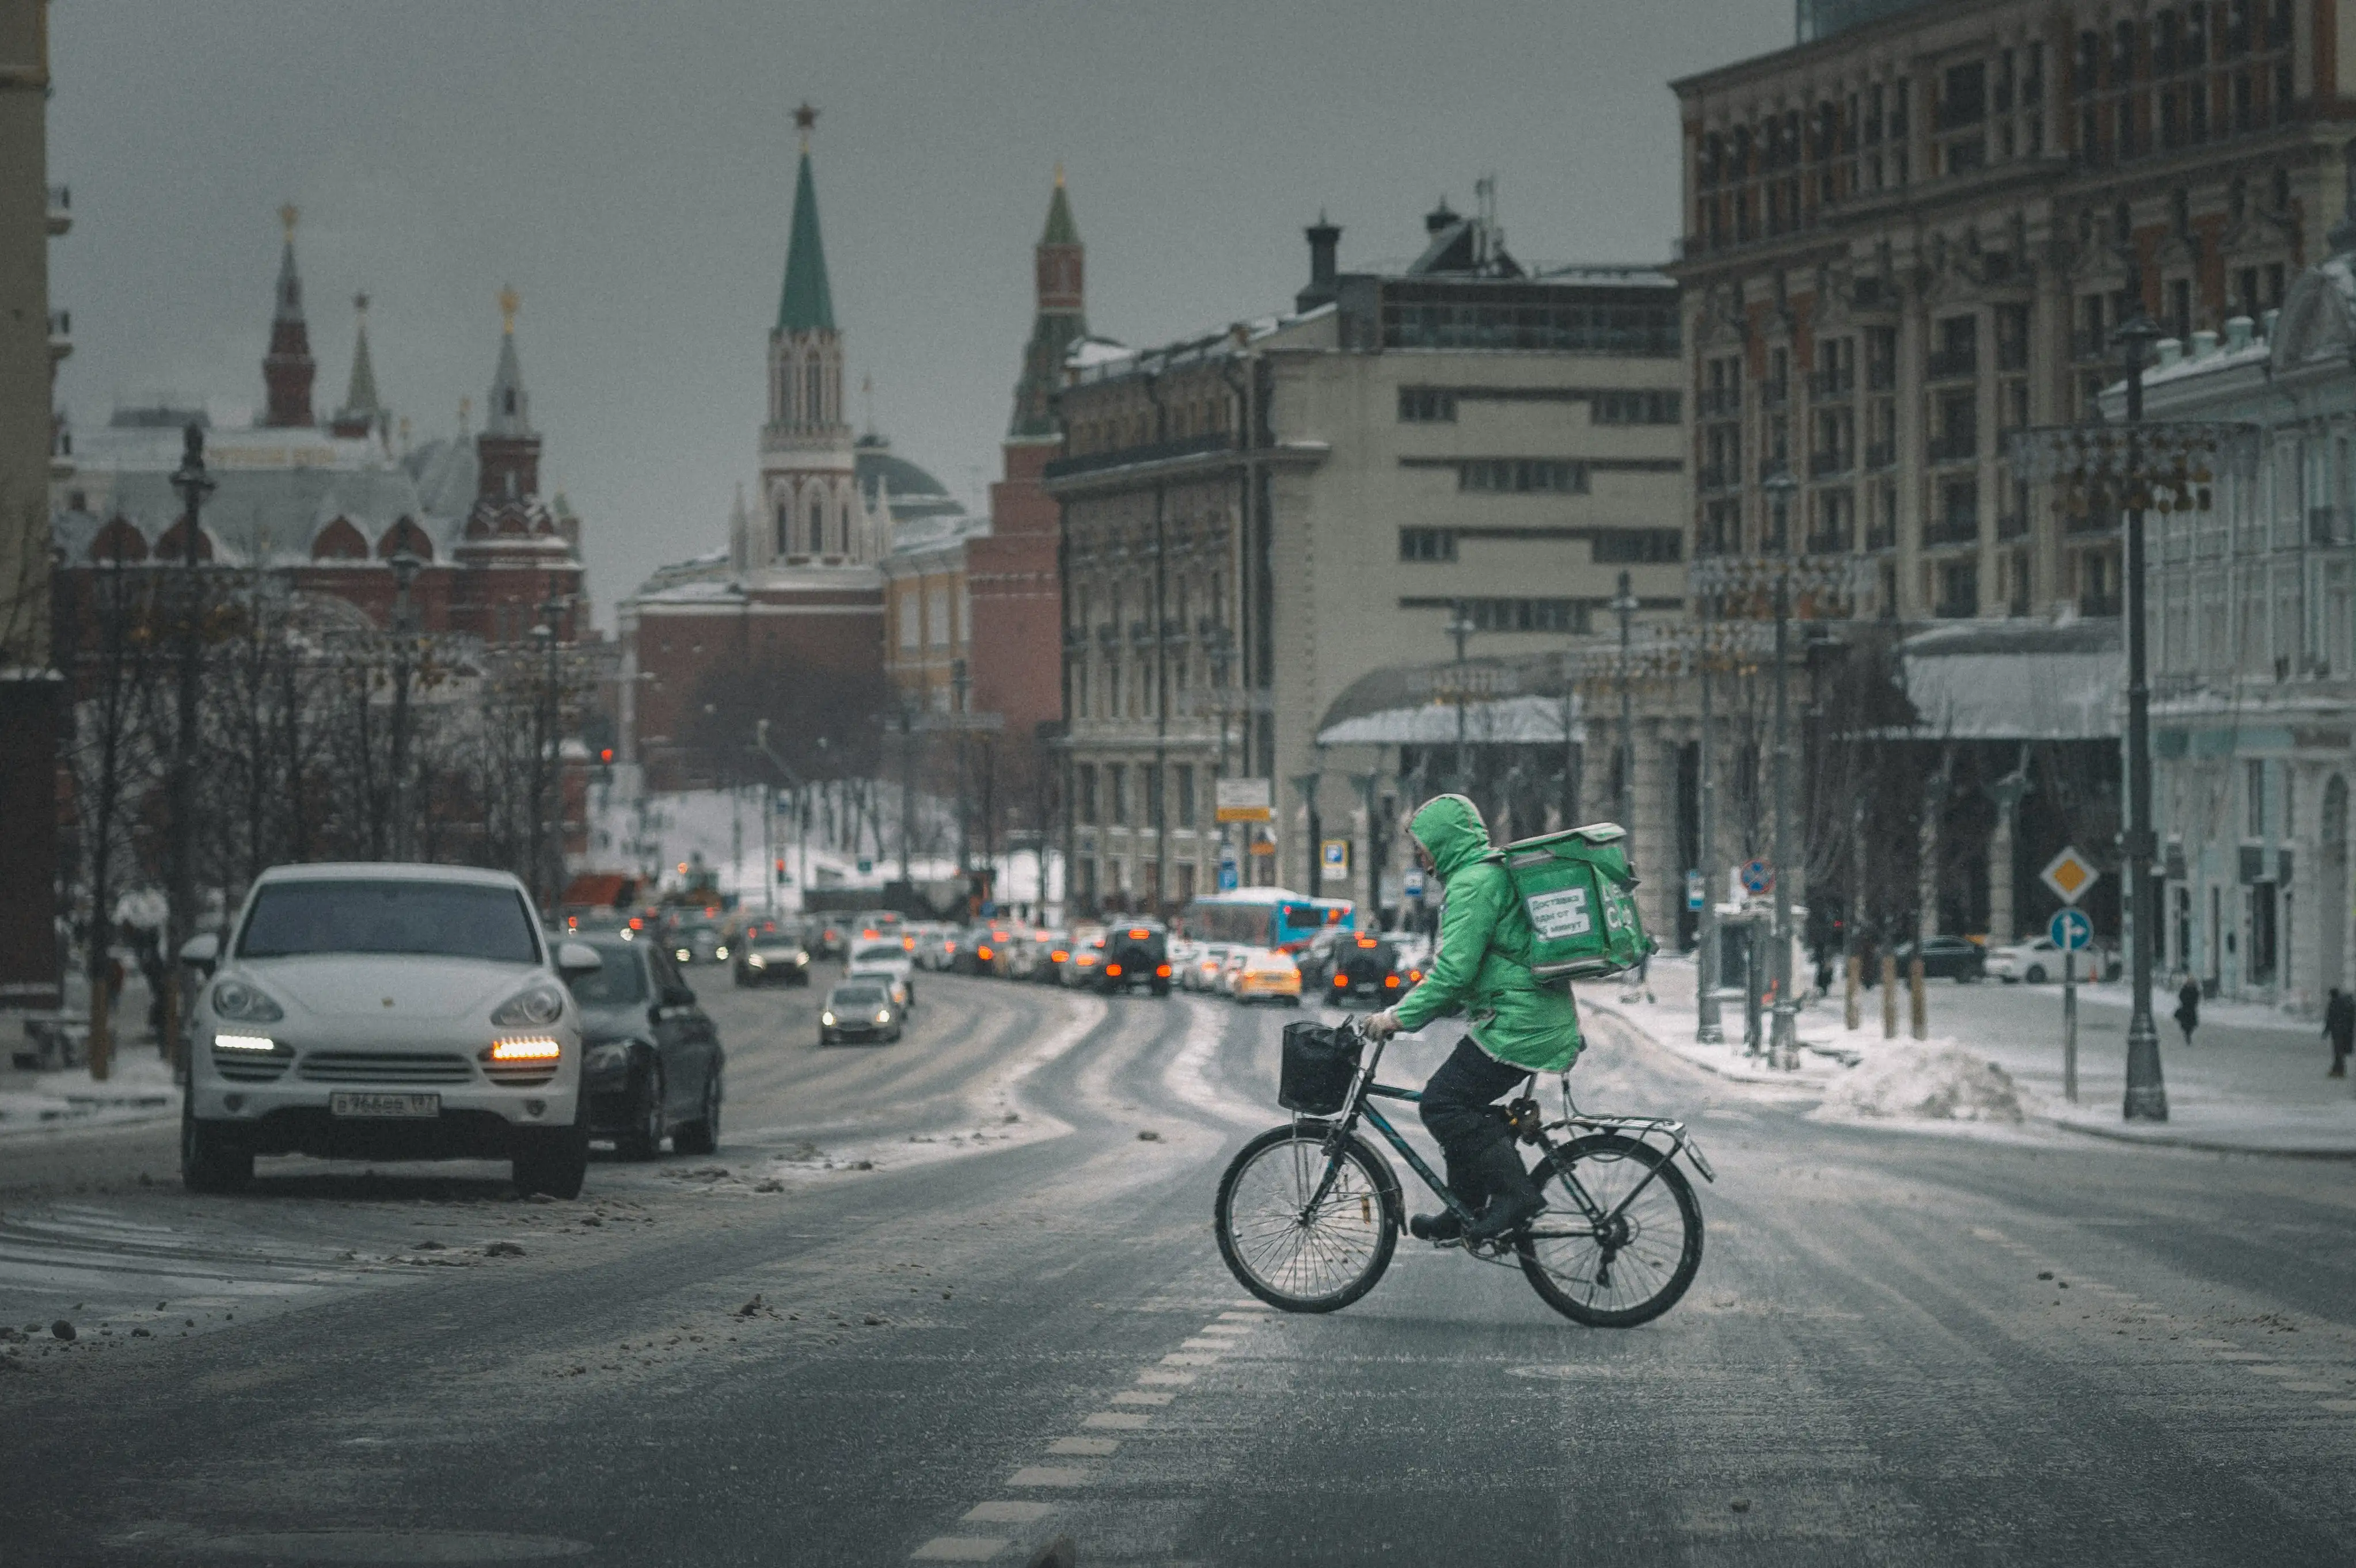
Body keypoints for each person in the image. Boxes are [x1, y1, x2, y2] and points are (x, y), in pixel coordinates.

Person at [1362, 794, 1580, 1244]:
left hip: (1521, 1024)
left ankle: (1515, 1195)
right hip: (1524, 1017)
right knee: (1460, 1107)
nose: (1421, 858)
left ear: (1443, 842)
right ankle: (1464, 1210)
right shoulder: (1483, 874)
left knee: (1442, 1103)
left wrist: (1396, 1018)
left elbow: (1454, 973)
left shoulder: (1473, 884)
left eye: (1423, 846)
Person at [2325, 987, 2354, 1079]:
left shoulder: (2334, 1003)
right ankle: (2337, 1069)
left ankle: (2339, 1070)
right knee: (2341, 1051)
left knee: (2338, 1051)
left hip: (2337, 1031)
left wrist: (2326, 1030)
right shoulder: (2347, 1004)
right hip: (2346, 1031)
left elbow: (2330, 1018)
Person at [2174, 974, 2202, 1048]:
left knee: (2191, 1025)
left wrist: (2192, 1003)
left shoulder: (2195, 989)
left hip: (2190, 1009)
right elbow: (2181, 996)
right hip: (2187, 1009)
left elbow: (2197, 998)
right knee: (2186, 1024)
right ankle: (2187, 1036)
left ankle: (2188, 1035)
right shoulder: (2185, 988)